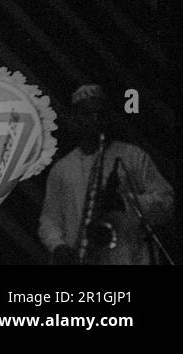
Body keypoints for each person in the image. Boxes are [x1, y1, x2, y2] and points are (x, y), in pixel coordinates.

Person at [38, 84, 173, 265]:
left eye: (100, 114)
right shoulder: (62, 169)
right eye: (87, 114)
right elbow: (49, 219)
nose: (95, 119)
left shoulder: (132, 156)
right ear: (76, 118)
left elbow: (167, 202)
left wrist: (126, 202)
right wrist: (58, 246)